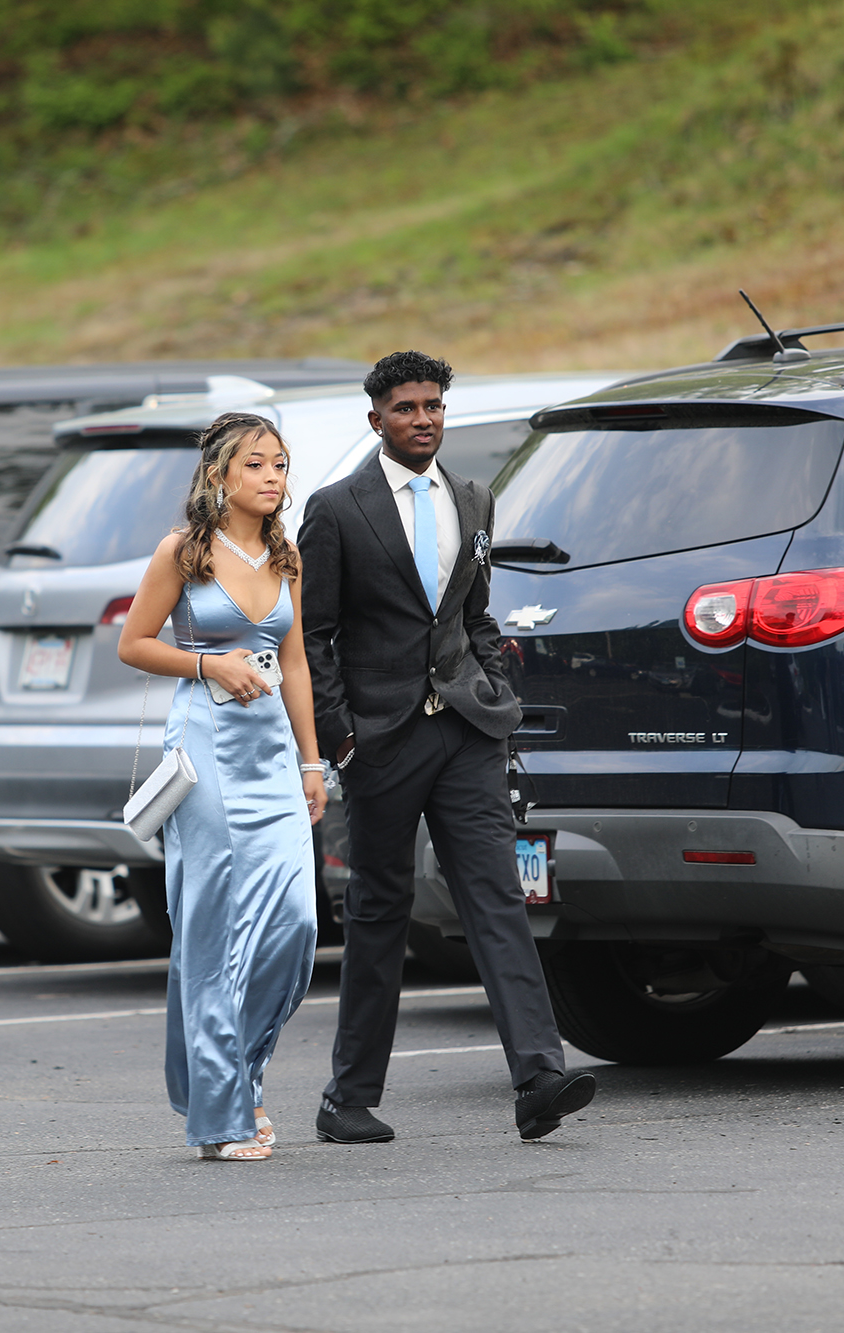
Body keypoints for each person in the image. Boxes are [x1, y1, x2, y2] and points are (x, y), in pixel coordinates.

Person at [298, 350, 598, 1144]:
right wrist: (344, 740)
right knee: (379, 911)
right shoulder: (336, 509)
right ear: (377, 419)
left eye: (433, 405)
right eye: (405, 407)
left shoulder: (474, 499)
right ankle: (348, 1096)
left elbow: (475, 617)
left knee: (498, 896)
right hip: (382, 739)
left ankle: (539, 1076)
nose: (422, 418)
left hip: (466, 728)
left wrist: (498, 692)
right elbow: (315, 636)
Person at [118, 411, 328, 1162]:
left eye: (280, 464)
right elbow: (133, 643)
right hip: (204, 753)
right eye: (257, 465)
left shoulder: (286, 553)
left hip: (272, 757)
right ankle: (223, 1110)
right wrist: (211, 663)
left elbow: (296, 664)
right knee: (211, 931)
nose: (273, 477)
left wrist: (312, 761)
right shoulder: (185, 551)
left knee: (296, 924)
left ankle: (241, 1070)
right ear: (219, 474)